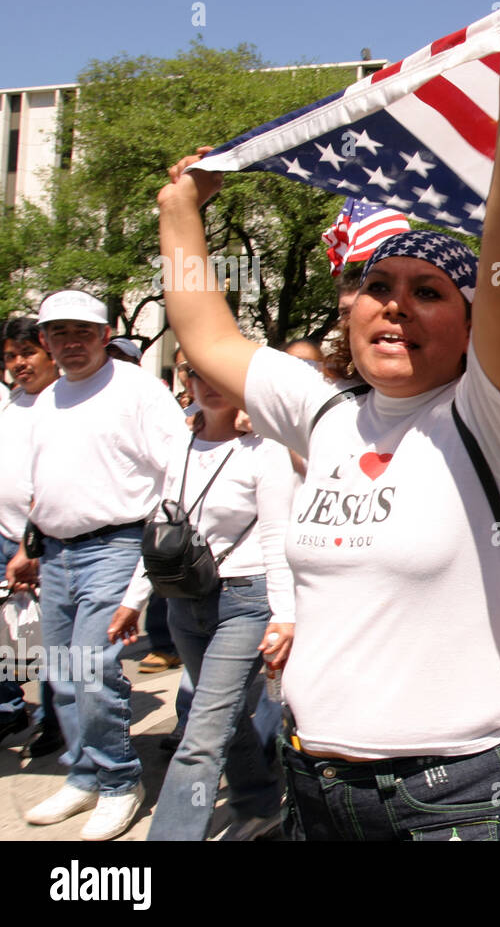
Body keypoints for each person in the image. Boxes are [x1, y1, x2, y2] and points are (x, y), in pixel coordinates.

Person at [154, 0, 500, 841]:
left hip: (453, 797)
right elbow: (204, 334)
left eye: (429, 292)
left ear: (468, 327)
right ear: (346, 312)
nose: (395, 305)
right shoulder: (322, 412)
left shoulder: (490, 417)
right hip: (314, 784)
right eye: (376, 288)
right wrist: (179, 213)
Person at [11, 290, 187, 841]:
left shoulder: (137, 390)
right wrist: (30, 545)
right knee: (60, 677)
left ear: (106, 333)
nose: (71, 342)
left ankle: (118, 781)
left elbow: (177, 469)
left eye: (83, 332)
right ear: (46, 340)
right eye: (59, 333)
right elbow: (43, 486)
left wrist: (146, 573)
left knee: (90, 669)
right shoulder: (47, 400)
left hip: (115, 546)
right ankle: (84, 772)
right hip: (56, 554)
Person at [108, 357, 294, 841]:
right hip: (184, 599)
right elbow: (164, 530)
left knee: (201, 735)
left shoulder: (264, 449)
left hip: (245, 599)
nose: (210, 385)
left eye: (220, 375)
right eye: (198, 375)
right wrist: (132, 600)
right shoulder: (181, 445)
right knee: (224, 721)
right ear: (187, 382)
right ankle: (258, 803)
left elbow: (277, 537)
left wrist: (285, 615)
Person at [0, 318, 62, 755]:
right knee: (10, 636)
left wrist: (31, 546)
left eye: (27, 353)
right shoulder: (11, 403)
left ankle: (54, 722)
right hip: (4, 536)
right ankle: (9, 710)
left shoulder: (63, 404)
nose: (19, 364)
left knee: (51, 642)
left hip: (45, 544)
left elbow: (57, 481)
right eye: (10, 356)